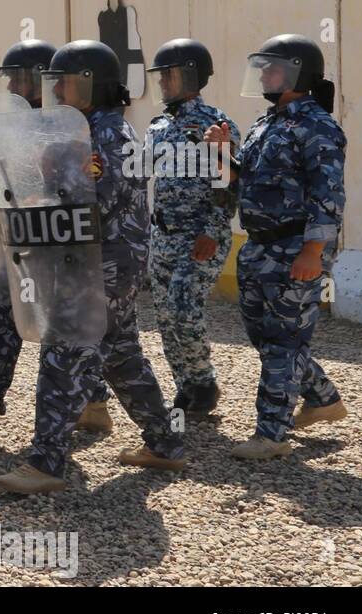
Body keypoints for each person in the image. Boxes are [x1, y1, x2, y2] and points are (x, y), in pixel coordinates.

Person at [0, 40, 187, 495]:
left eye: (64, 80)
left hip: (100, 265)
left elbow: (92, 202)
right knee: (120, 355)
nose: (55, 88)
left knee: (62, 351)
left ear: (90, 84)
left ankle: (46, 463)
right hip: (105, 263)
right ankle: (165, 445)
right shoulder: (86, 131)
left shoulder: (104, 137)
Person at [0, 39, 116, 451]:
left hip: (64, 242)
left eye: (20, 78)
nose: (12, 86)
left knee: (72, 325)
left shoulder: (67, 124)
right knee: (1, 317)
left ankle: (94, 403)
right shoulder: (1, 125)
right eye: (8, 78)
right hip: (21, 240)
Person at [204, 34, 348, 459]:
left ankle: (271, 435)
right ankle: (323, 399)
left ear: (296, 71)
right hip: (258, 247)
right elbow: (242, 179)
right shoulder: (267, 122)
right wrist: (222, 152)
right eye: (262, 68)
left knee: (284, 343)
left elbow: (329, 195)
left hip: (294, 247)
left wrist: (313, 252)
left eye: (272, 67)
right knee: (265, 337)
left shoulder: (318, 126)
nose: (264, 74)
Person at [145, 39, 239, 414]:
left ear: (191, 76)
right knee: (166, 318)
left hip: (199, 237)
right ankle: (186, 388)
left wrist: (214, 231)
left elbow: (230, 182)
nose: (164, 82)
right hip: (162, 237)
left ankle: (203, 382)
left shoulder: (216, 123)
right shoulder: (158, 126)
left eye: (170, 74)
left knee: (185, 308)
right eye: (161, 75)